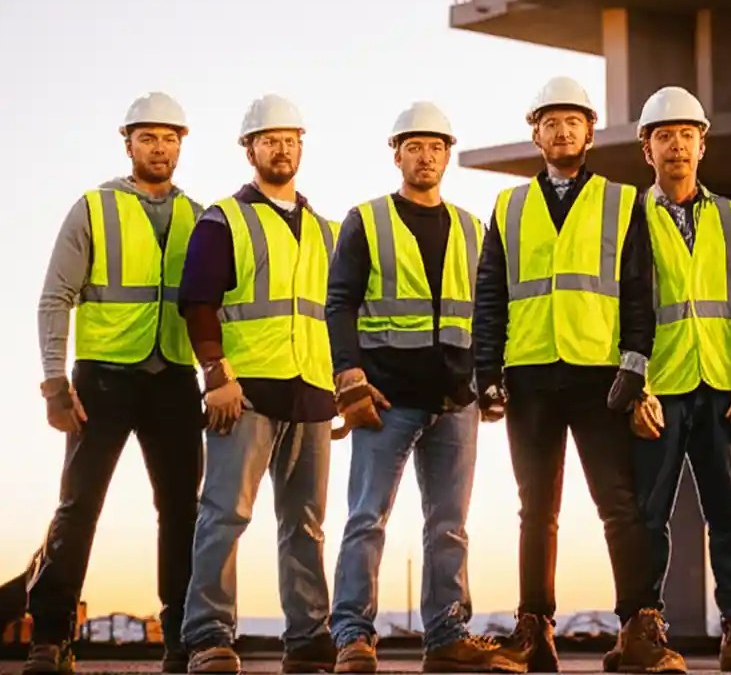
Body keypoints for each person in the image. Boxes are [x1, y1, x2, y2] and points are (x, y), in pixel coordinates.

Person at [473, 76, 686, 674]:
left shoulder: (622, 201)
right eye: (550, 122)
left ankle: (641, 629)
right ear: (534, 132)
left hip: (601, 377)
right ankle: (533, 633)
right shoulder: (509, 206)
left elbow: (640, 292)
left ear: (590, 132)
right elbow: (490, 293)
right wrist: (487, 369)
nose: (562, 131)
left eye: (573, 121)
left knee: (619, 504)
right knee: (535, 509)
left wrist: (635, 365)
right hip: (531, 374)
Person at [324, 102, 518, 673]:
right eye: (415, 147)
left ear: (448, 155)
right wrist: (350, 377)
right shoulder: (368, 219)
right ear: (397, 154)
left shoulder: (470, 227)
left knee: (449, 525)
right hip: (386, 400)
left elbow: (486, 314)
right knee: (367, 518)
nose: (426, 156)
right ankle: (354, 636)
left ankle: (447, 637)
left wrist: (487, 383)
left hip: (455, 401)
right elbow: (339, 305)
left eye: (436, 147)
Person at [26, 92, 203, 674]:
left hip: (174, 379)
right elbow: (55, 297)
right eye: (147, 137)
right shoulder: (93, 208)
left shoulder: (199, 217)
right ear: (127, 143)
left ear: (182, 144)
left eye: (169, 137)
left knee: (182, 511)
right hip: (101, 381)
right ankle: (50, 639)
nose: (159, 147)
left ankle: (179, 635)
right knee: (78, 508)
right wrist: (56, 384)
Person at [627, 86, 731, 672]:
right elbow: (621, 305)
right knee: (649, 516)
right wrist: (633, 385)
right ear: (646, 149)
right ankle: (640, 629)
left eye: (686, 135)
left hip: (721, 382)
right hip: (660, 387)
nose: (676, 146)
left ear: (703, 144)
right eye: (663, 136)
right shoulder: (631, 217)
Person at [178, 94, 339, 674]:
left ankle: (308, 636)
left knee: (306, 525)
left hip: (312, 393)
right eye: (269, 139)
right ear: (250, 149)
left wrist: (343, 384)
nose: (282, 148)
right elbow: (198, 303)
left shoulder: (327, 229)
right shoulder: (225, 217)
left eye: (291, 139)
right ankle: (209, 637)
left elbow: (337, 314)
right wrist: (216, 374)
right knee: (224, 515)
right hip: (244, 394)